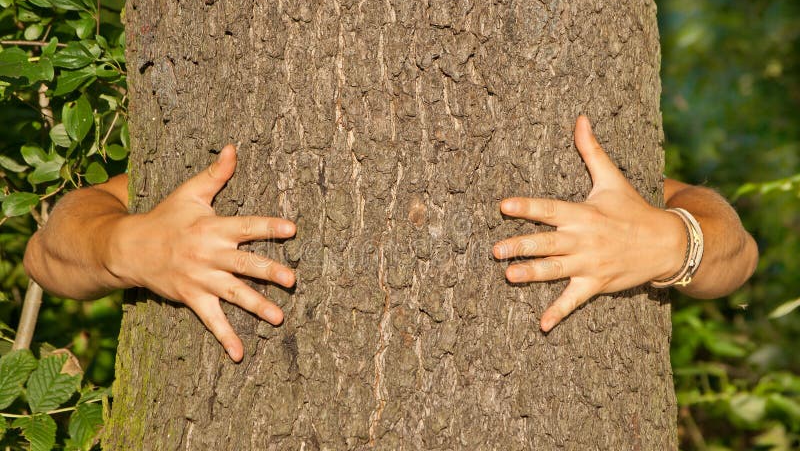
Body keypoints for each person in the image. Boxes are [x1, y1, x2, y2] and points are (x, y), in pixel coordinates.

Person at [23, 116, 758, 362]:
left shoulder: (591, 178)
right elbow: (51, 252)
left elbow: (736, 254)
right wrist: (132, 249)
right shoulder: (227, 159)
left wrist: (671, 243)